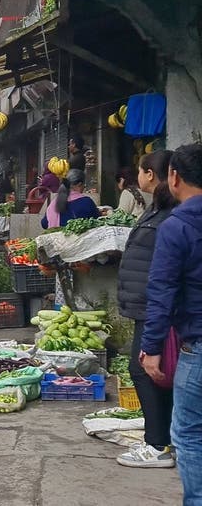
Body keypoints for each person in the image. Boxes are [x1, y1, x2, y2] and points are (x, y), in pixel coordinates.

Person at [142, 143, 202, 500]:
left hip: (198, 347)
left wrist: (151, 348)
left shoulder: (176, 227)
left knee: (190, 434)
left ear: (174, 177)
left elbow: (161, 292)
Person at [114, 150, 176, 468]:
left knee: (145, 369)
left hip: (153, 305)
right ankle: (164, 438)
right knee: (150, 370)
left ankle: (157, 445)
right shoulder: (158, 209)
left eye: (141, 170)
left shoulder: (170, 214)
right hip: (145, 304)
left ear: (149, 174)